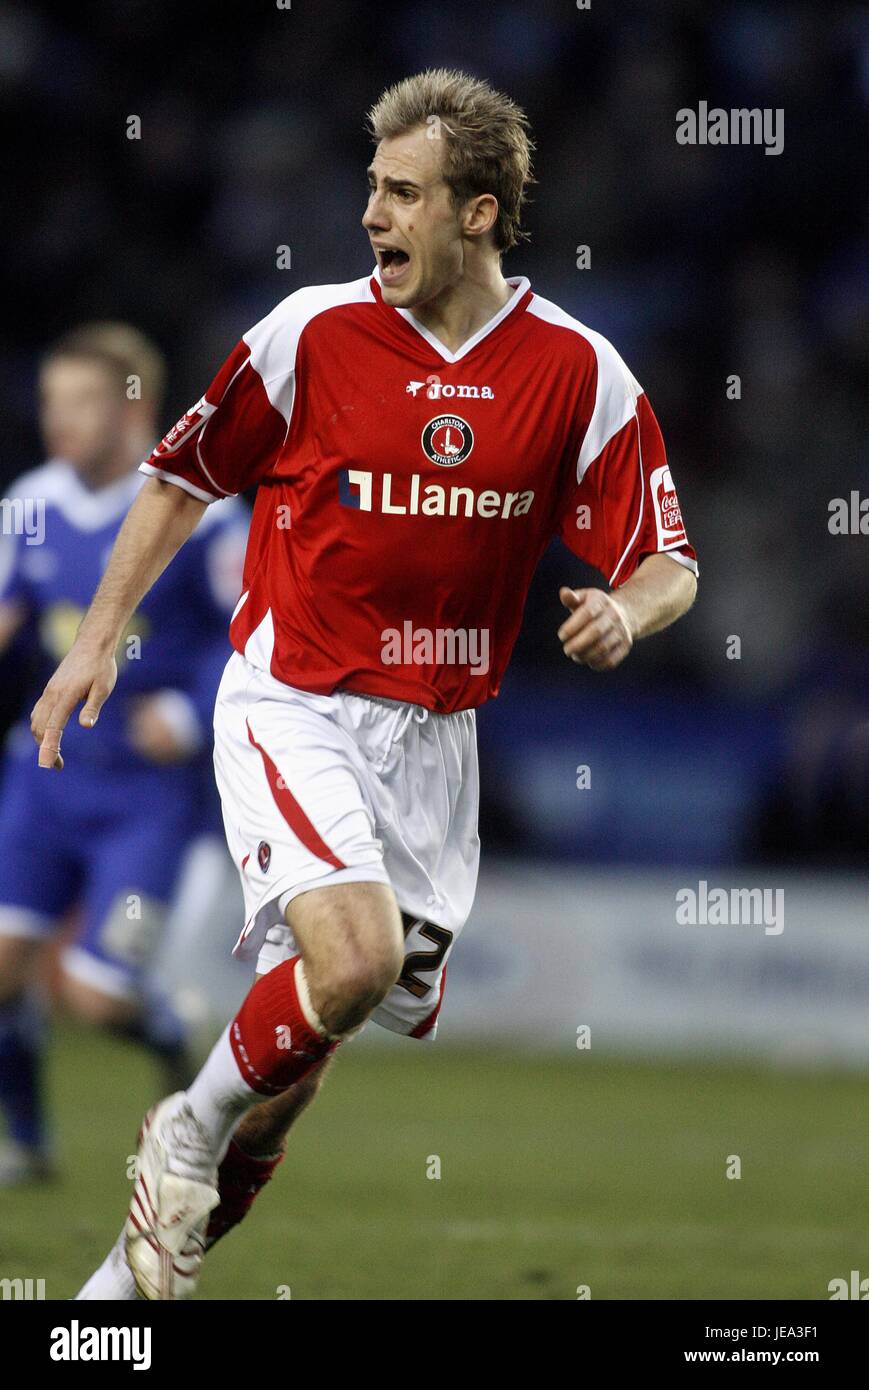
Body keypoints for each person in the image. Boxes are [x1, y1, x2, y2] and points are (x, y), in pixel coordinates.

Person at [31, 71, 697, 1299]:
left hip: (435, 749)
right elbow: (180, 477)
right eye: (371, 188)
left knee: (293, 1080)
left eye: (403, 193)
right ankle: (180, 1125)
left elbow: (667, 558)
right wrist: (95, 643)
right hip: (294, 697)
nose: (373, 215)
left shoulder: (577, 371)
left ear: (479, 213)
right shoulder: (308, 333)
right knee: (349, 964)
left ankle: (114, 1302)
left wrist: (625, 606)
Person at [0, 323, 248, 1184]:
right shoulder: (29, 501)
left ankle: (172, 1037)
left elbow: (251, 629)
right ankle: (26, 1145)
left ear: (134, 407)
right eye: (48, 400)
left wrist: (188, 711)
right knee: (1, 966)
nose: (57, 420)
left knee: (94, 995)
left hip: (148, 800)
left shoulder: (203, 513)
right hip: (41, 778)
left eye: (80, 401)